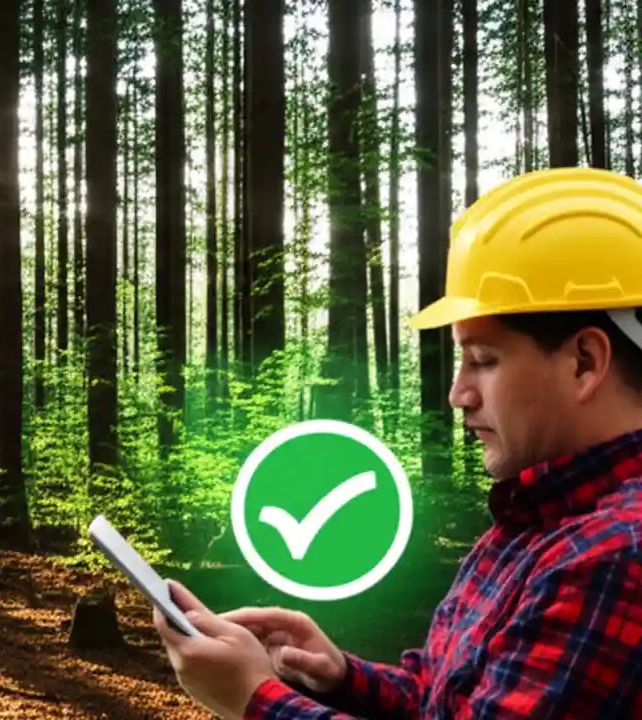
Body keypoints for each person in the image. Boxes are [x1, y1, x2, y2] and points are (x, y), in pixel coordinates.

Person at [153, 166, 642, 719]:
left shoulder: (614, 558)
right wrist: (341, 677)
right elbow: (446, 702)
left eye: (483, 360)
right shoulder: (534, 527)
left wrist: (254, 698)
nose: (458, 393)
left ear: (585, 363)